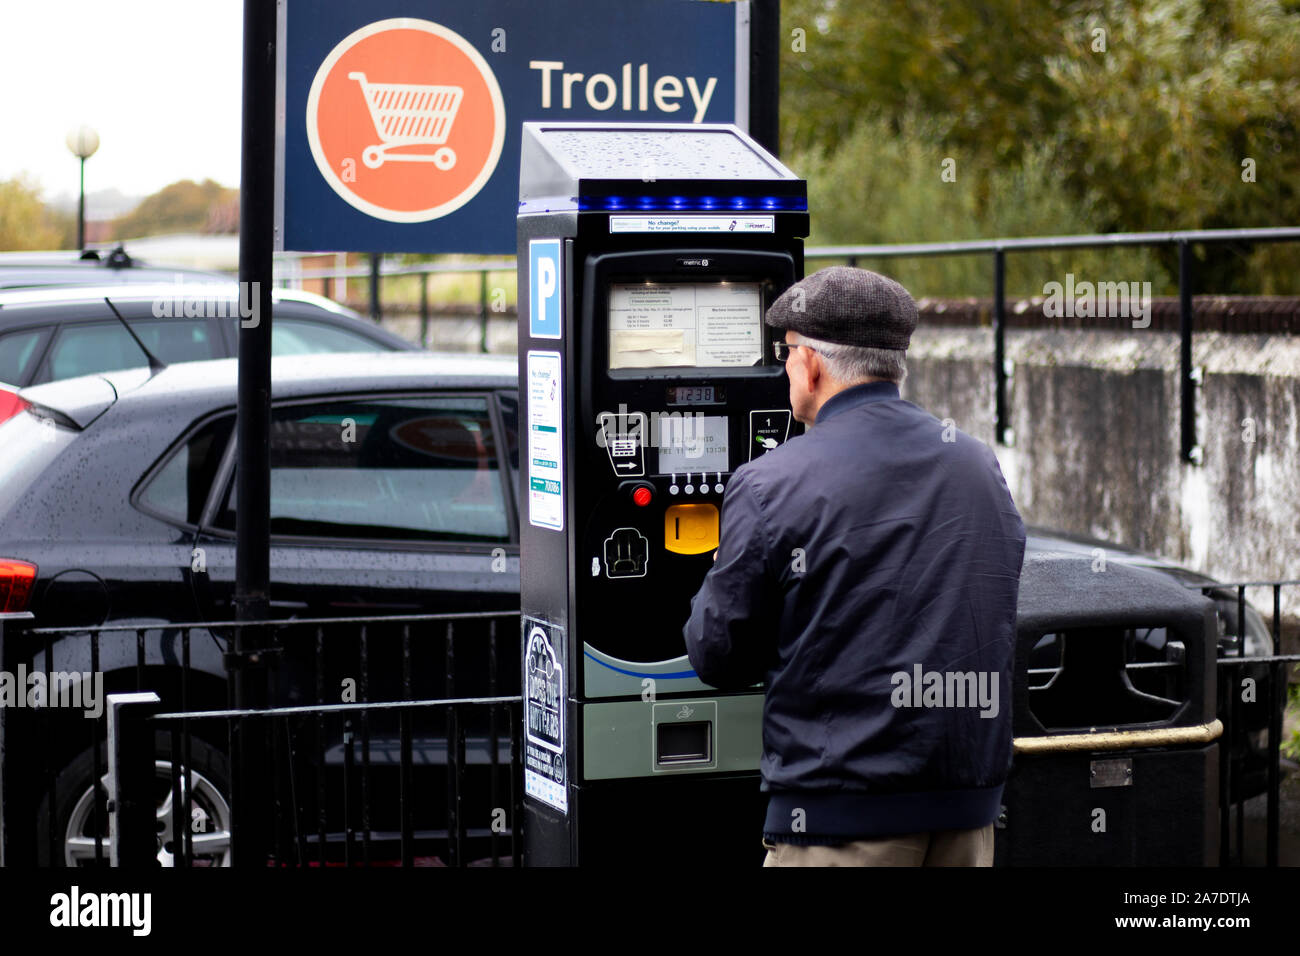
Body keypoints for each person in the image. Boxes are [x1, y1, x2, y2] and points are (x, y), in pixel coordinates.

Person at [682, 266, 1026, 866]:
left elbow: (717, 653)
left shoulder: (770, 483)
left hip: (837, 820)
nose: (786, 366)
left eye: (786, 352)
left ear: (810, 364)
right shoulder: (976, 464)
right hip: (969, 814)